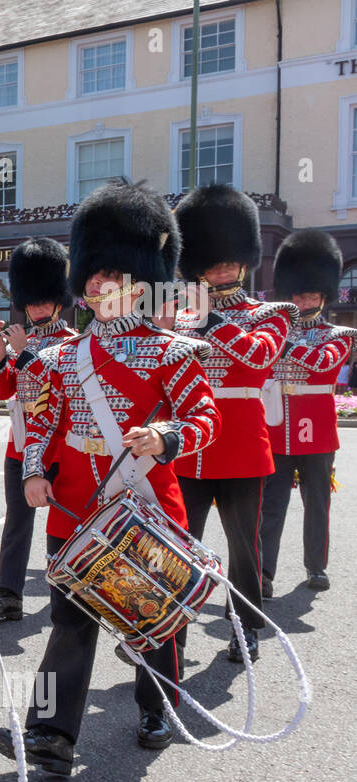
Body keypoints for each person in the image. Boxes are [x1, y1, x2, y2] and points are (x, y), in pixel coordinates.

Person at [0, 181, 221, 772]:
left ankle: (157, 707)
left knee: (151, 613)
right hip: (76, 505)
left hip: (145, 503)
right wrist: (34, 472)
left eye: (112, 274)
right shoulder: (57, 358)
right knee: (69, 619)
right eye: (93, 274)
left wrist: (167, 437)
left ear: (140, 282)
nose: (97, 284)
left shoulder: (172, 351)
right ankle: (50, 731)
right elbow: (41, 425)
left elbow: (205, 419)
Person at [172, 184, 290, 664]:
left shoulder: (272, 313)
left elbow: (259, 358)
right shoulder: (179, 318)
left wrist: (212, 323)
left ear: (243, 262)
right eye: (211, 263)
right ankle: (170, 632)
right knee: (178, 547)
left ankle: (246, 629)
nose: (219, 270)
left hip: (241, 447)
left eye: (227, 262)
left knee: (244, 549)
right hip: (189, 447)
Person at [0, 238, 77, 622]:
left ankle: (69, 591)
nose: (36, 307)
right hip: (20, 447)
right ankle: (10, 595)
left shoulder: (71, 344)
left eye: (42, 300)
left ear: (57, 300)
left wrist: (26, 355)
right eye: (31, 300)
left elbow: (63, 390)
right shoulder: (23, 340)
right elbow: (5, 393)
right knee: (17, 524)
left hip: (59, 449)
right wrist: (1, 358)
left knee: (66, 524)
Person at [260, 229, 353, 596]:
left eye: (311, 294)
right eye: (298, 293)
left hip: (316, 431)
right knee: (271, 507)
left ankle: (316, 567)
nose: (303, 300)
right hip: (276, 429)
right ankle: (264, 572)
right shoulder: (275, 331)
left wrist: (284, 345)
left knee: (317, 505)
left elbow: (322, 365)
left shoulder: (339, 333)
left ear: (323, 296)